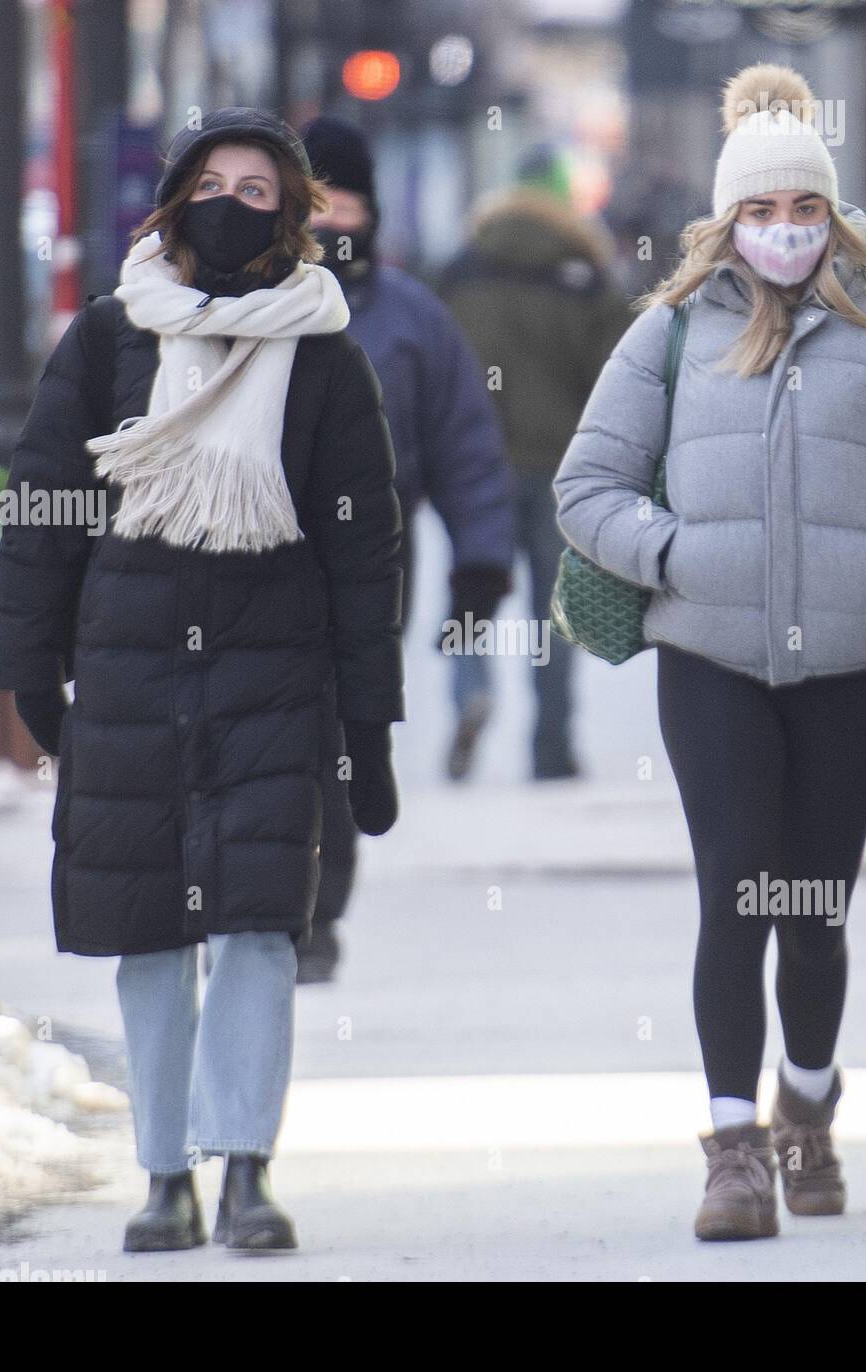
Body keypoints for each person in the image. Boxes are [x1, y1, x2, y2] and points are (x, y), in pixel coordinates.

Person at [553, 64, 866, 1241]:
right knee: (734, 888)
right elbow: (585, 486)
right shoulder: (663, 340)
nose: (785, 232)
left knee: (812, 904)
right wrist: (674, 554)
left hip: (856, 668)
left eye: (804, 210)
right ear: (726, 221)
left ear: (832, 218)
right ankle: (732, 1151)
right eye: (762, 212)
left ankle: (807, 1101)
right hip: (711, 657)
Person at [0, 108, 404, 1254]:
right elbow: (44, 508)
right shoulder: (109, 337)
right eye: (213, 184)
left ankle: (247, 1171)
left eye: (260, 190)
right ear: (175, 200)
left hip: (275, 683)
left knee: (262, 929)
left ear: (291, 215)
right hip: (129, 678)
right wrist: (30, 665)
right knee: (152, 937)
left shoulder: (324, 353)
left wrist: (367, 724)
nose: (233, 204)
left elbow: (361, 548)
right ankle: (164, 1172)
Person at [295, 114, 515, 982]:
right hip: (255, 556)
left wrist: (481, 565)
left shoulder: (415, 318)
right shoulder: (246, 306)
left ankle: (317, 913)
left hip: (377, 561)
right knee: (267, 733)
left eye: (347, 204)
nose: (334, 223)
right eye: (316, 203)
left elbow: (466, 443)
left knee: (344, 736)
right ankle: (250, 896)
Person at [440, 144, 633, 780]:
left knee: (472, 586)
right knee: (555, 614)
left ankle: (470, 689)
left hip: (475, 467)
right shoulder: (586, 276)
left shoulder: (463, 269)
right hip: (560, 469)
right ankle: (551, 748)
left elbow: (436, 367)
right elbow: (619, 380)